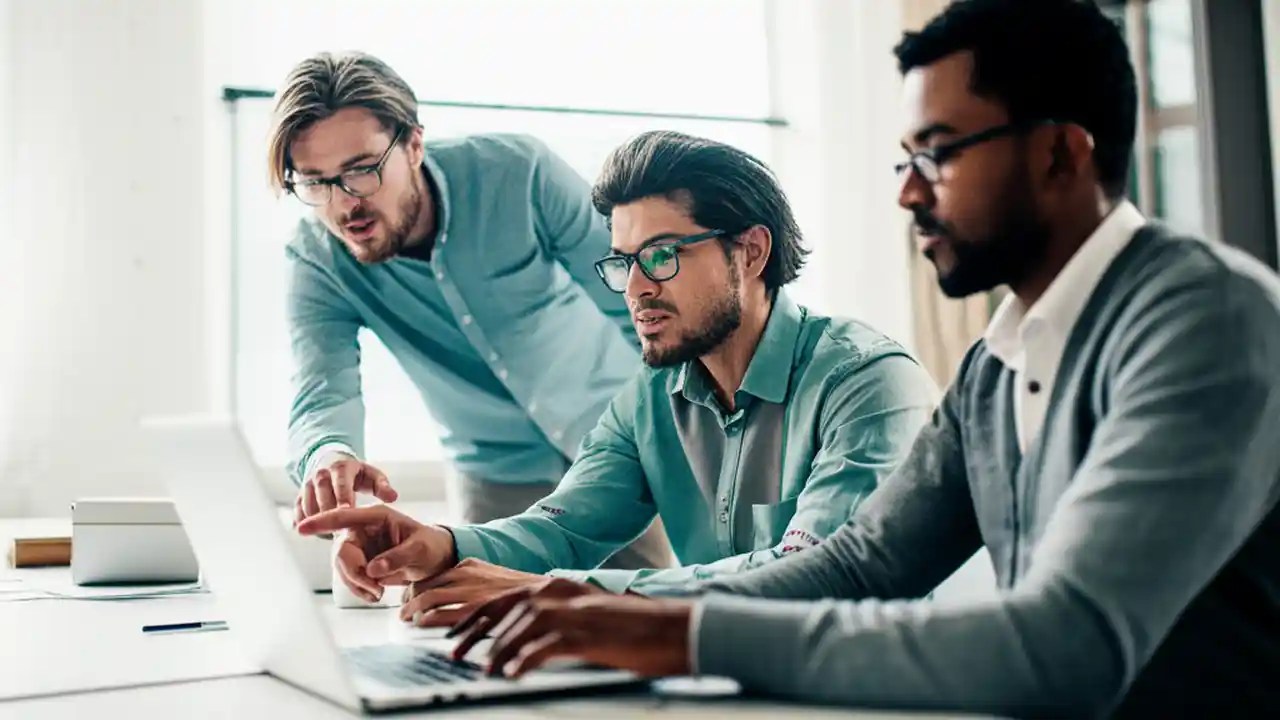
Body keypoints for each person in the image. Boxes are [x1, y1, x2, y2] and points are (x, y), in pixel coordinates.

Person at [427, 1, 1280, 716]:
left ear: (1059, 152)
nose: (908, 190)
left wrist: (672, 629)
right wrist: (593, 608)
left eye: (938, 153)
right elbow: (861, 562)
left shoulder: (1205, 319)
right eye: (907, 159)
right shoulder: (994, 368)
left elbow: (1068, 641)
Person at [297, 130, 938, 620]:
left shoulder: (868, 383)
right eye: (623, 262)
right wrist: (439, 544)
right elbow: (563, 527)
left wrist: (557, 594)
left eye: (660, 256)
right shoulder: (650, 397)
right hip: (729, 682)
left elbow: (816, 575)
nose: (634, 289)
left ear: (749, 251)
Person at [270, 51, 667, 569]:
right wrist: (329, 456)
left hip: (610, 445)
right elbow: (322, 387)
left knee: (642, 605)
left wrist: (677, 423)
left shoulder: (519, 173)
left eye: (362, 171)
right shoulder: (316, 258)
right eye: (314, 182)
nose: (344, 203)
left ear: (413, 145)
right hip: (491, 476)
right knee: (485, 614)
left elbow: (637, 297)